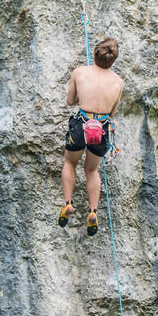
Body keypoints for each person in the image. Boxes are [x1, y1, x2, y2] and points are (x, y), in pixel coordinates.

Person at [60, 37, 123, 235]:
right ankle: (93, 211)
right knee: (92, 169)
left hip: (82, 123)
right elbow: (112, 113)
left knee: (70, 163)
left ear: (95, 53)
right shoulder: (118, 82)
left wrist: (82, 95)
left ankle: (68, 203)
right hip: (102, 127)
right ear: (113, 60)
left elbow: (70, 101)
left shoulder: (80, 72)